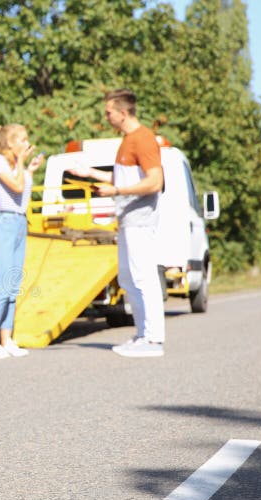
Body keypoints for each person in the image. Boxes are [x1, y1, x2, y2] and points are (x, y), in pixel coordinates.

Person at [69, 89, 165, 357]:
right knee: (127, 276)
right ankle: (142, 334)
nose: (106, 115)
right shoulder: (126, 140)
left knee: (143, 276)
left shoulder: (143, 139)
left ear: (123, 113)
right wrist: (90, 174)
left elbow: (155, 182)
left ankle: (154, 340)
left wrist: (117, 192)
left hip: (140, 220)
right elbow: (123, 180)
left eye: (109, 111)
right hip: (127, 220)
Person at [0, 124, 44, 359]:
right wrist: (21, 162)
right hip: (4, 224)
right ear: (11, 144)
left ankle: (6, 339)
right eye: (23, 140)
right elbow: (15, 186)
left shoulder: (15, 165)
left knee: (13, 286)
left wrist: (30, 169)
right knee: (3, 284)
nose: (27, 144)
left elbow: (22, 195)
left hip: (19, 222)